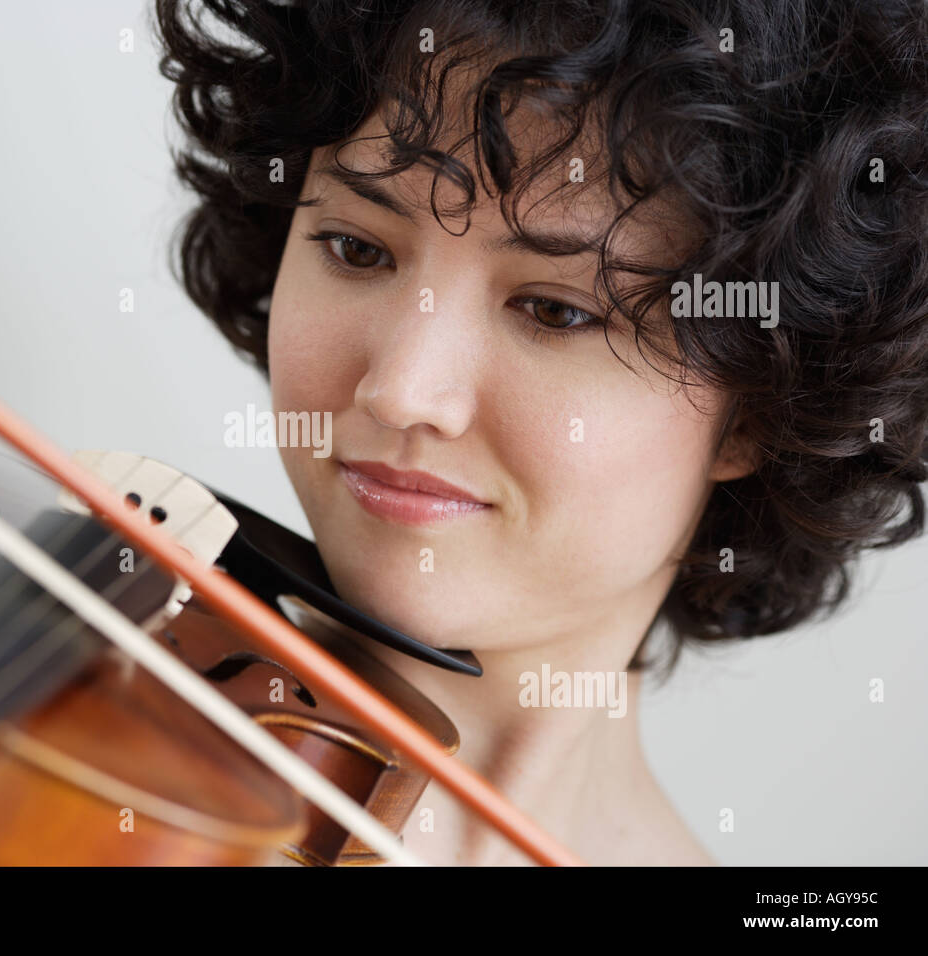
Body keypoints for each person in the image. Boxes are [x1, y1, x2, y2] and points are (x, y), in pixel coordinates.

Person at [150, 0, 928, 863]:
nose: (403, 392)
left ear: (757, 407)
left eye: (555, 310)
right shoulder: (104, 726)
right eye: (356, 249)